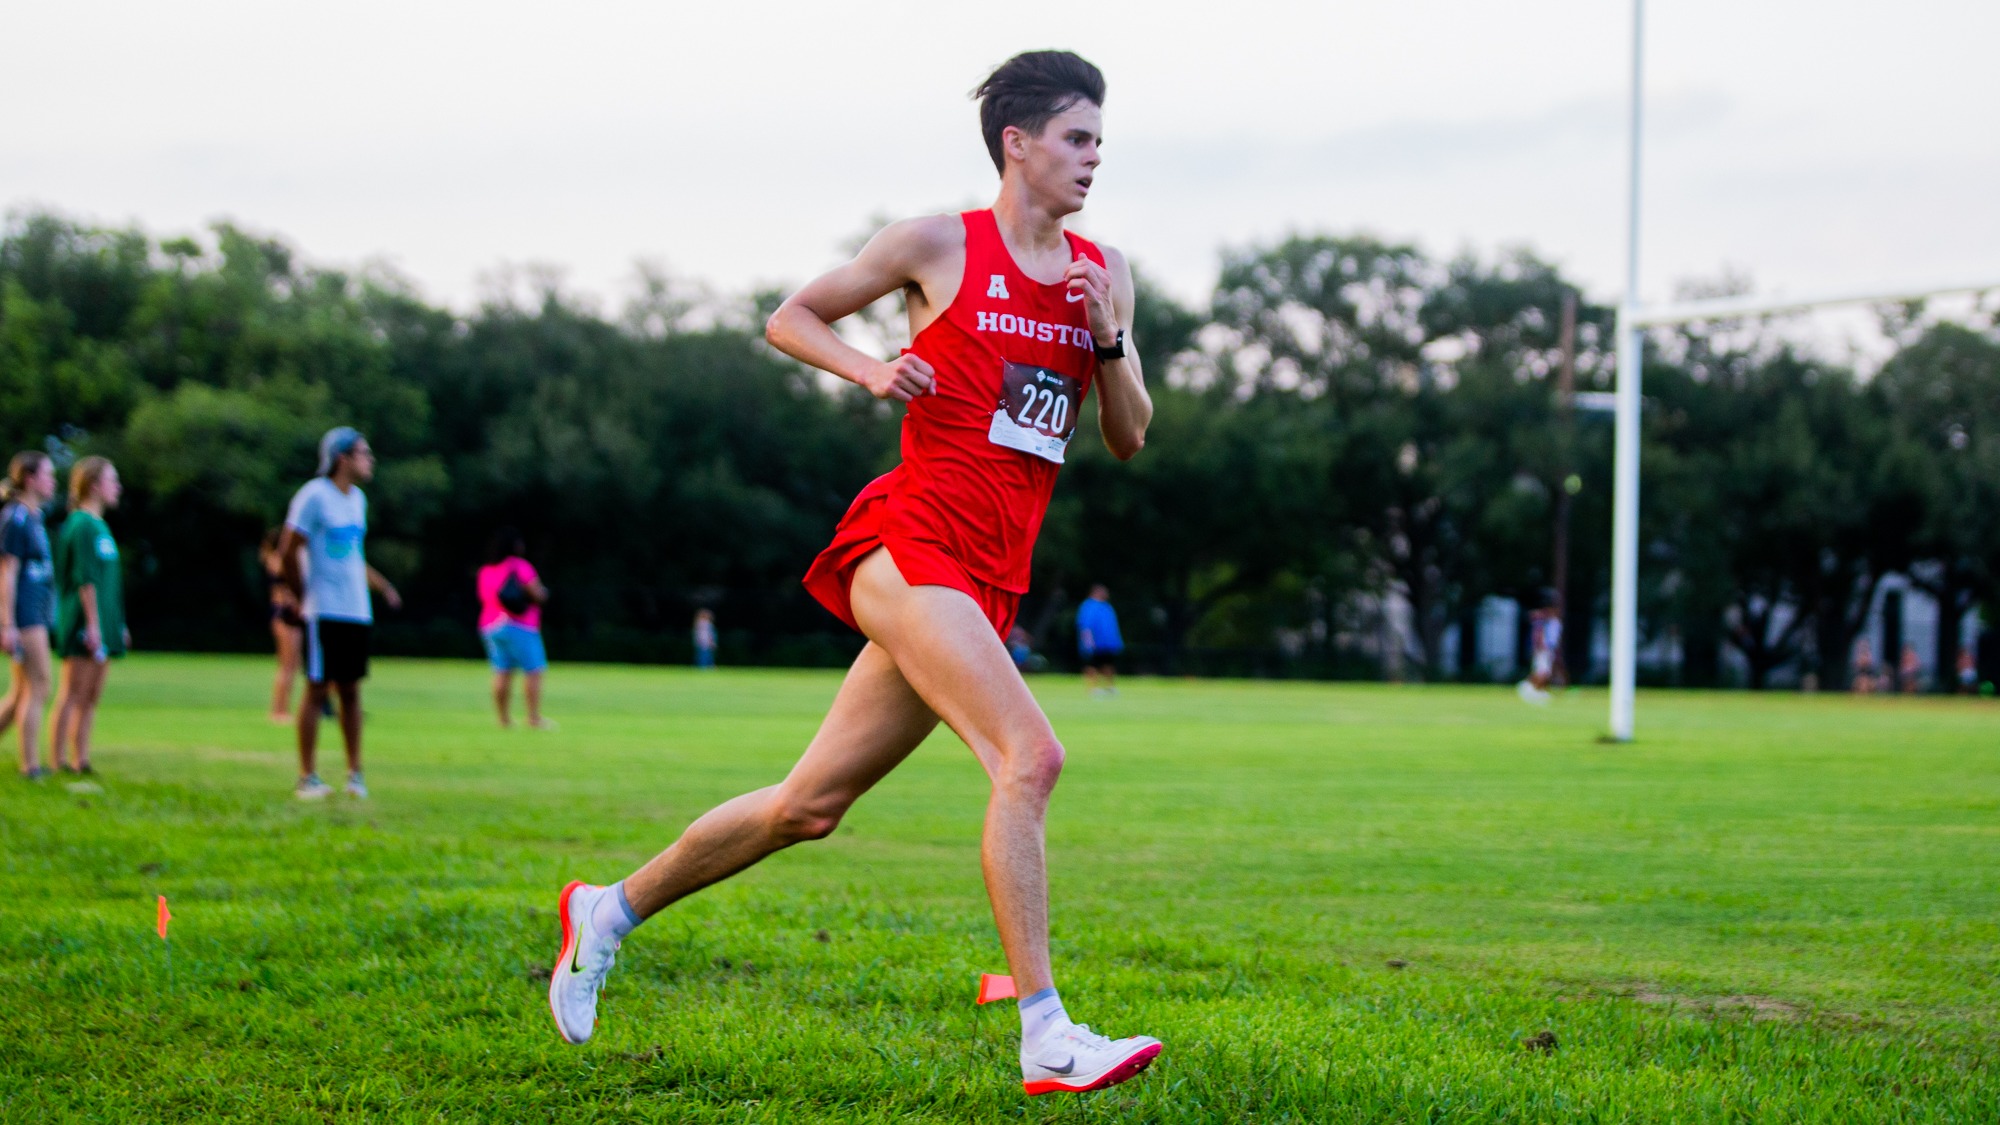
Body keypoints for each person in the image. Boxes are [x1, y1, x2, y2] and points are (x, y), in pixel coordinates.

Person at [546, 52, 1161, 1097]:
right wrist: (871, 368)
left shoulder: (1104, 273)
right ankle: (1047, 1033)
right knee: (1030, 757)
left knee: (808, 807)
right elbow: (791, 316)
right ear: (1016, 143)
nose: (1094, 158)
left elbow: (1130, 436)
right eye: (1076, 138)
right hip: (907, 540)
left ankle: (607, 909)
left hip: (988, 575)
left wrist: (1106, 338)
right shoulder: (935, 243)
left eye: (1100, 140)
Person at [277, 428, 401, 800]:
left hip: (355, 611)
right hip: (323, 609)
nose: (370, 459)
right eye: (364, 453)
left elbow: (353, 557)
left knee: (350, 690)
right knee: (317, 688)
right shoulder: (314, 495)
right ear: (342, 458)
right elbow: (288, 548)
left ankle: (354, 774)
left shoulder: (357, 500)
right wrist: (301, 595)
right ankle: (307, 777)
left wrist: (381, 586)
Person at [49, 457, 126, 775]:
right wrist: (93, 625)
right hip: (83, 622)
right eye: (112, 480)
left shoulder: (101, 525)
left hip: (105, 623)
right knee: (72, 692)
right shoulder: (80, 525)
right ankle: (58, 761)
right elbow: (85, 580)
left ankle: (81, 759)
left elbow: (109, 582)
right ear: (94, 486)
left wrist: (116, 624)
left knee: (92, 695)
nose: (118, 487)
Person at [1, 453, 59, 778]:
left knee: (20, 692)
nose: (53, 481)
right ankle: (30, 766)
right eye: (48, 475)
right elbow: (6, 574)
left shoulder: (34, 517)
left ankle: (30, 763)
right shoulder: (16, 518)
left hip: (34, 612)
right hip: (23, 616)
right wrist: (6, 623)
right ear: (29, 479)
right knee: (39, 685)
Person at [478, 527, 551, 729]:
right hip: (520, 624)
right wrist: (543, 593)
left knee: (501, 670)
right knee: (533, 670)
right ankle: (533, 717)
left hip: (491, 625)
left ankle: (503, 719)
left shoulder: (486, 570)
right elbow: (537, 593)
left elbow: (484, 597)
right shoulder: (519, 566)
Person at [260, 527, 306, 722]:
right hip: (285, 616)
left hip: (286, 615)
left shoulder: (274, 559)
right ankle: (278, 710)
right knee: (287, 665)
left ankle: (282, 708)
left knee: (292, 664)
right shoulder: (279, 560)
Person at [1075, 585, 1123, 695]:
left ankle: (1110, 687)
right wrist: (1088, 642)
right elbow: (1085, 626)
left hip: (1108, 644)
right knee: (1092, 665)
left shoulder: (1107, 607)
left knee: (1108, 665)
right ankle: (1093, 689)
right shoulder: (1088, 606)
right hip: (1095, 643)